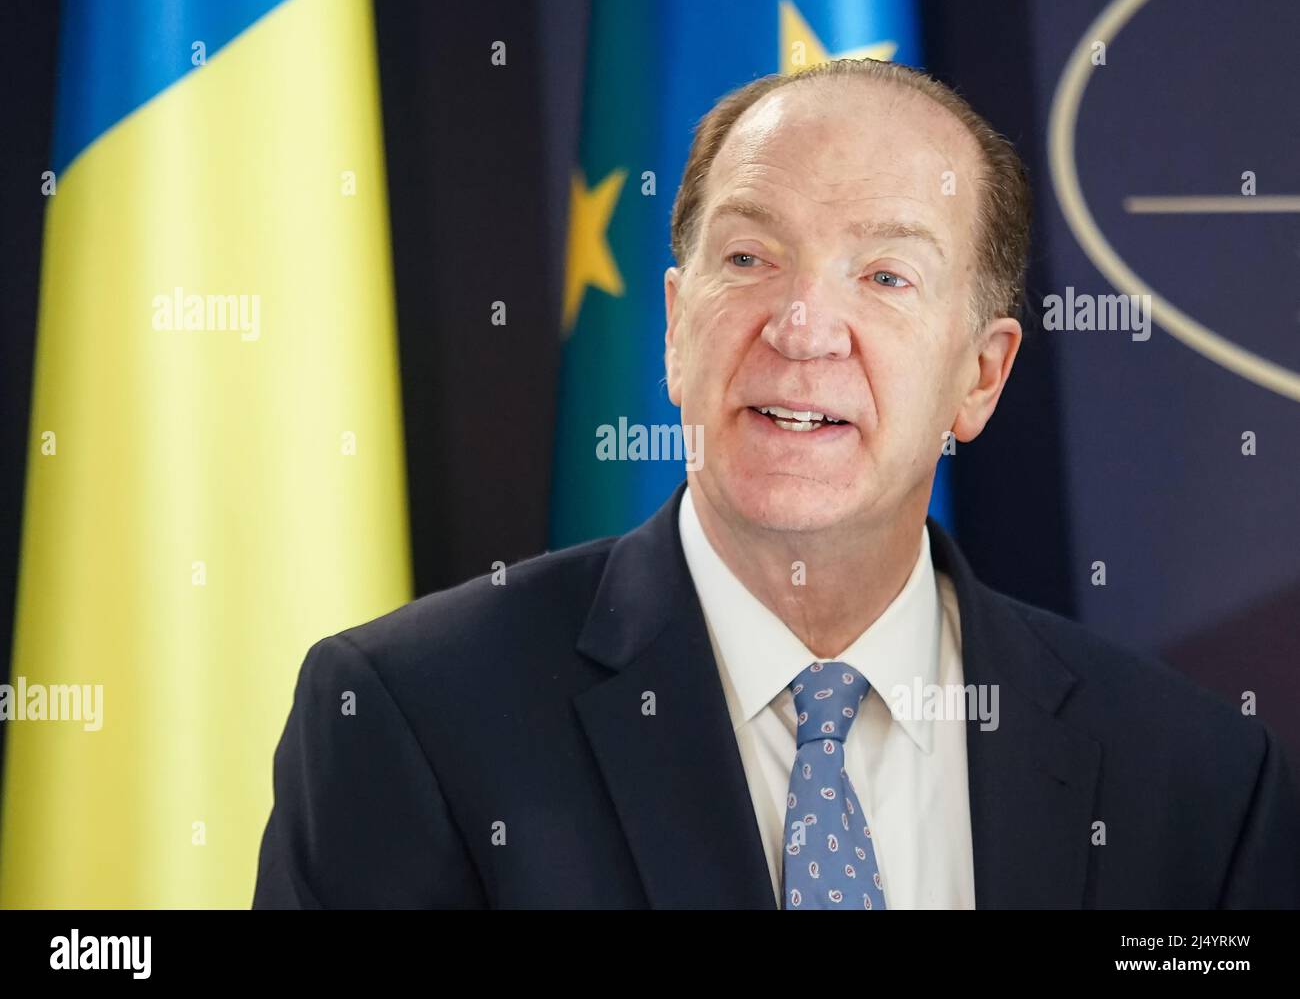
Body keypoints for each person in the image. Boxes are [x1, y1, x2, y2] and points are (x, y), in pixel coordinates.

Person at [252, 58, 1300, 909]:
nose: (800, 327)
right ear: (672, 325)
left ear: (978, 375)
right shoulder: (410, 719)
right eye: (749, 258)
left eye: (886, 276)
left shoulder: (1197, 783)